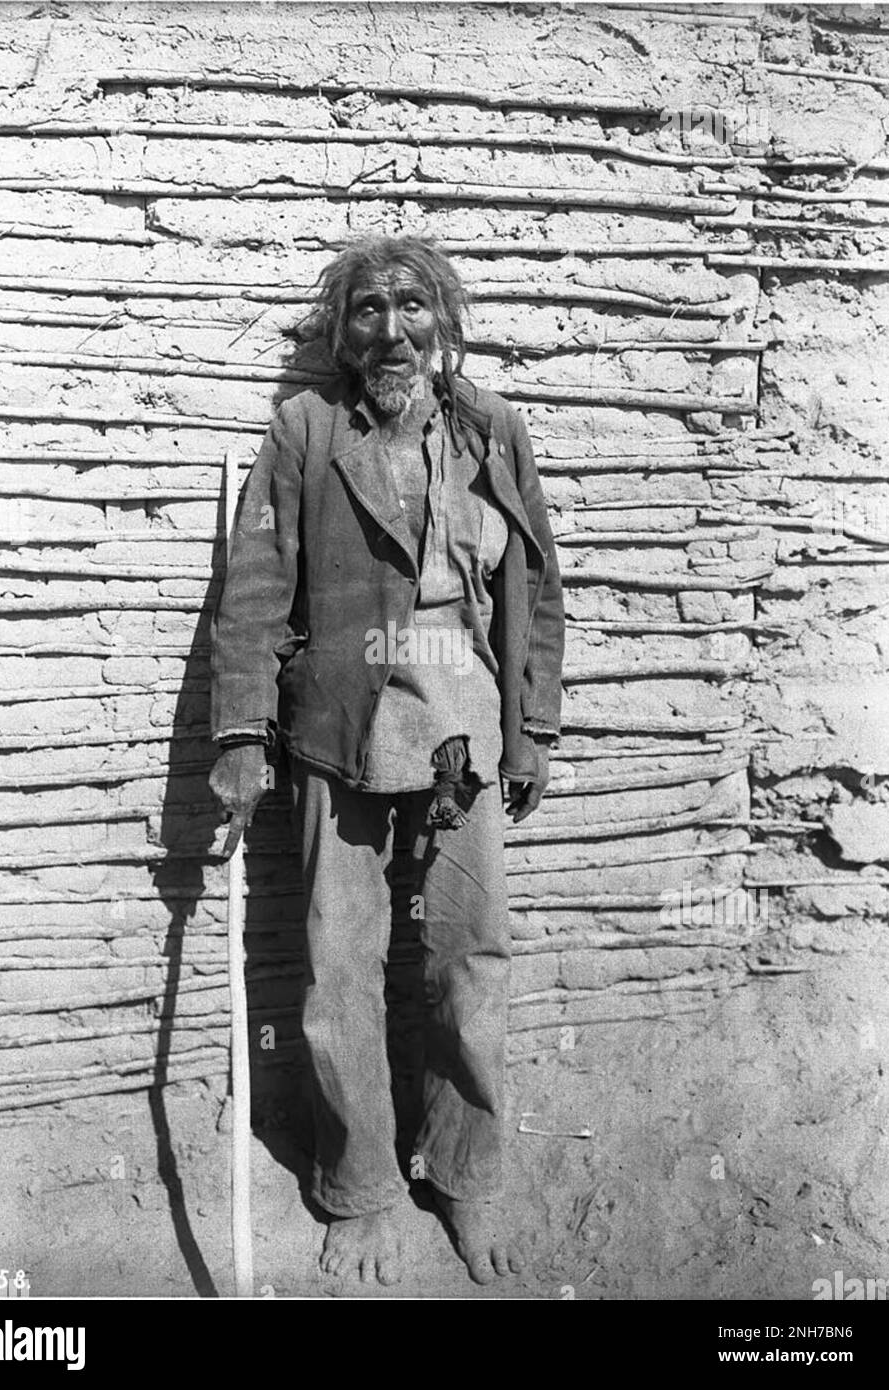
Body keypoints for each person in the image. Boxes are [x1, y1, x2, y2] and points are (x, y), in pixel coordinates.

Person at [208, 235, 564, 1286]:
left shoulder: (493, 433)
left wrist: (532, 726)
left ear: (444, 322)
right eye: (368, 310)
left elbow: (534, 589)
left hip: (463, 731)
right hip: (339, 733)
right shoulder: (307, 433)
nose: (391, 330)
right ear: (341, 330)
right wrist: (240, 736)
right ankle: (360, 1186)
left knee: (469, 961)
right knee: (337, 970)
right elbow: (256, 592)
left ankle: (465, 1172)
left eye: (413, 307)